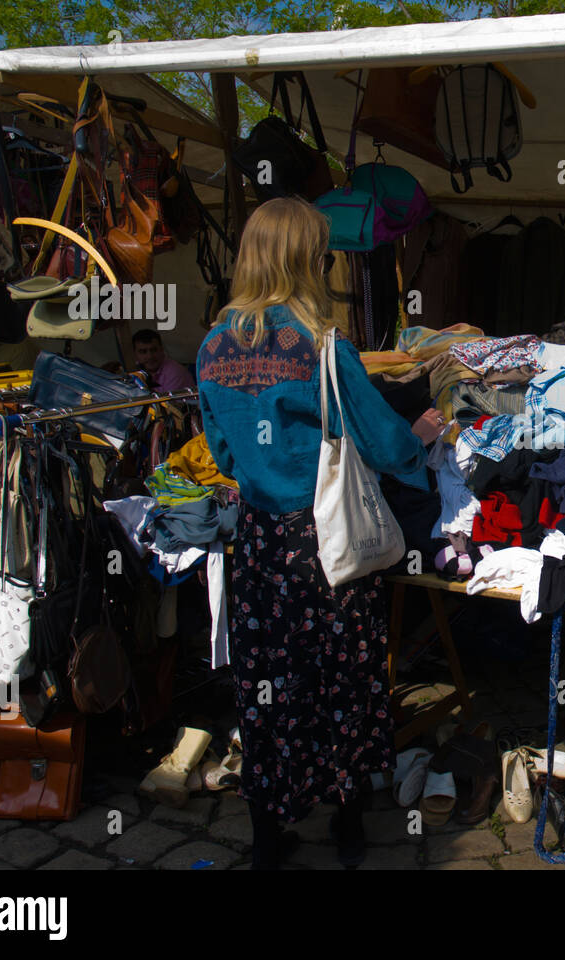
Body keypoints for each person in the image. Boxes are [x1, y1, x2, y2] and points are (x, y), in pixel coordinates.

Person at [196, 197, 445, 869]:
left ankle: (269, 829)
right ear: (307, 260)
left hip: (258, 546)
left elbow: (221, 453)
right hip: (325, 542)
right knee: (341, 677)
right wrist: (421, 438)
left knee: (268, 683)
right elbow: (384, 441)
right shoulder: (323, 347)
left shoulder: (211, 346)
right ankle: (347, 822)